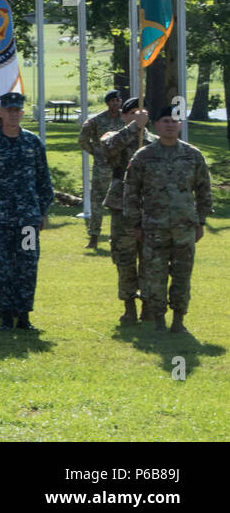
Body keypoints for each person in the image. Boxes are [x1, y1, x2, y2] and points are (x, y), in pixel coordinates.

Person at [0, 92, 54, 331]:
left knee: (27, 264)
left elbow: (43, 179)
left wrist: (43, 211)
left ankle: (24, 316)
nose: (14, 115)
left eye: (17, 110)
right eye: (9, 111)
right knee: (2, 265)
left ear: (22, 114)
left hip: (27, 219)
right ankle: (6, 314)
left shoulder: (32, 142)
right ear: (1, 113)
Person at [123, 105, 213, 334]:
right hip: (154, 228)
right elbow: (131, 192)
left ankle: (179, 320)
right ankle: (159, 320)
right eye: (165, 121)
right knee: (155, 276)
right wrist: (136, 224)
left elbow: (204, 191)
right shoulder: (144, 156)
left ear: (181, 125)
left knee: (182, 276)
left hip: (184, 228)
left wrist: (200, 222)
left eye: (174, 121)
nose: (170, 125)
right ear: (156, 125)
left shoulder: (193, 155)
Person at [99, 98, 155, 324]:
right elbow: (109, 149)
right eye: (131, 113)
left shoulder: (155, 141)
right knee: (124, 258)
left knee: (151, 259)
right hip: (122, 207)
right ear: (124, 116)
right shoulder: (112, 136)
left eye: (140, 113)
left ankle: (149, 306)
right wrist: (134, 128)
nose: (136, 116)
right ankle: (129, 306)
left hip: (150, 208)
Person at [78, 89, 127, 249]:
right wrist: (97, 153)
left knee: (123, 202)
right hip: (102, 167)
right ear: (107, 103)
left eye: (118, 100)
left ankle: (121, 237)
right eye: (112, 101)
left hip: (122, 167)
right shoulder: (96, 121)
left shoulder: (126, 120)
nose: (115, 103)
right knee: (97, 202)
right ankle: (94, 236)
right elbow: (83, 139)